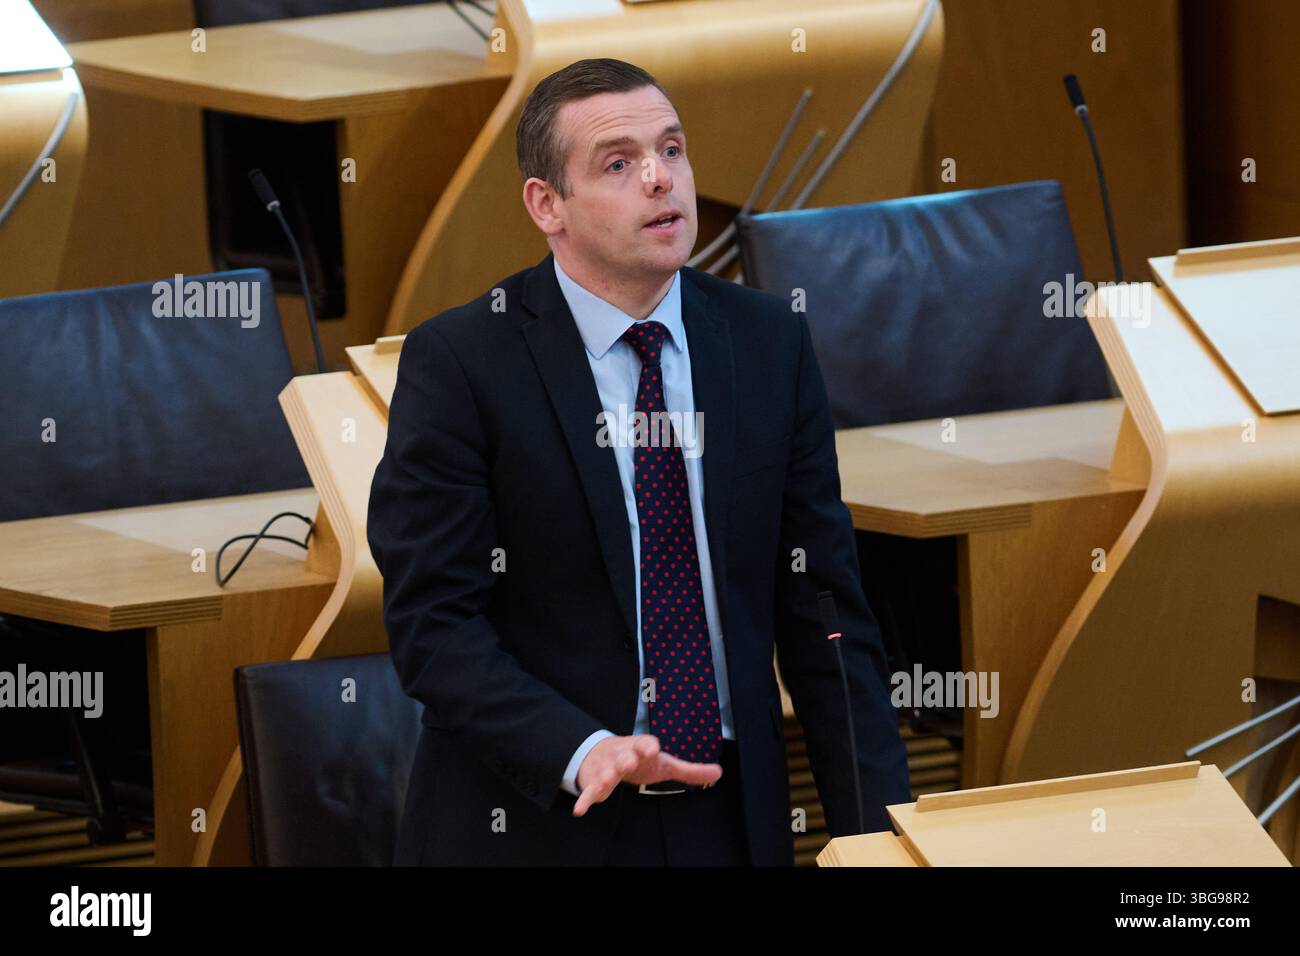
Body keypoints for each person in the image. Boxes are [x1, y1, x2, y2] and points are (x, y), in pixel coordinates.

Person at [367, 57, 909, 866]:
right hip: (546, 811)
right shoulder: (462, 362)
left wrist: (879, 839)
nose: (661, 180)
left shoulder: (767, 343)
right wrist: (583, 747)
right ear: (546, 204)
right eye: (619, 164)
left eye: (673, 150)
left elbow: (825, 613)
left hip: (731, 810)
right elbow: (434, 627)